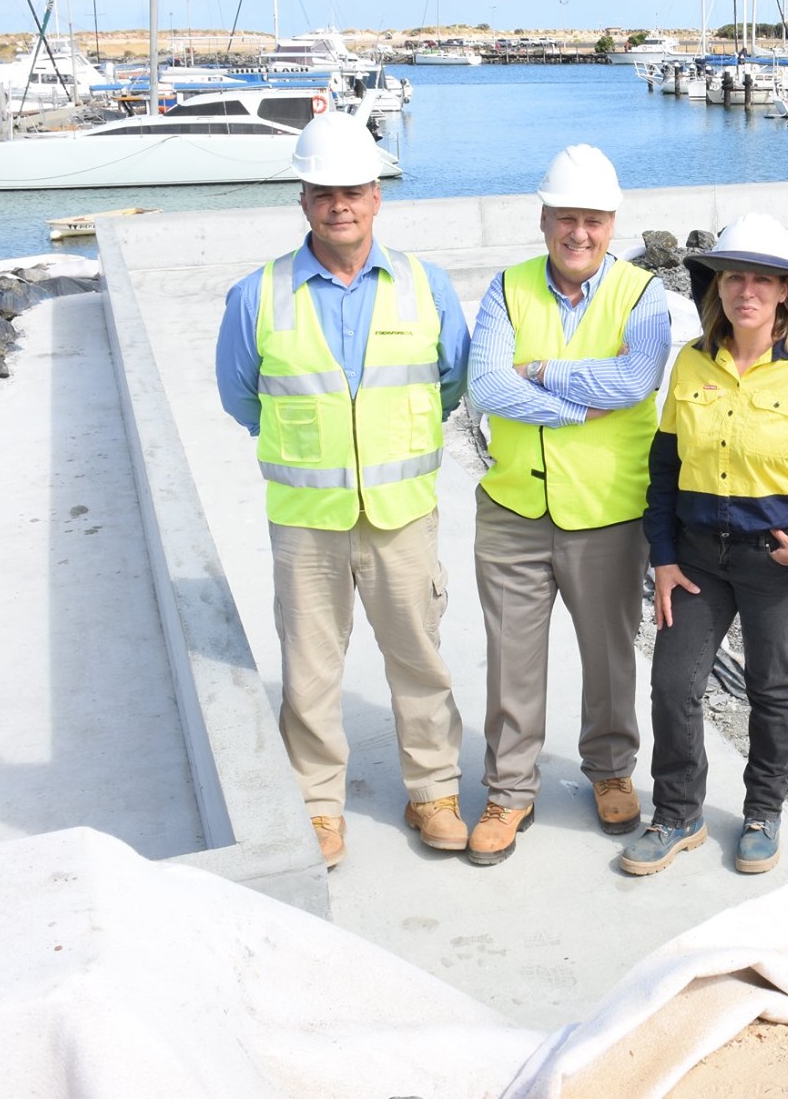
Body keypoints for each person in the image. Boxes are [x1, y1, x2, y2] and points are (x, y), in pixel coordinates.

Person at [214, 112, 472, 869]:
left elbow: (449, 381)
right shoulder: (257, 295)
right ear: (303, 199)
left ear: (376, 196)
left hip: (403, 514)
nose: (339, 206)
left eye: (353, 191)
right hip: (307, 520)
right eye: (324, 193)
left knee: (419, 659)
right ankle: (317, 805)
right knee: (310, 670)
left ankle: (433, 792)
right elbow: (241, 396)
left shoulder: (425, 286)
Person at [621, 213, 788, 877]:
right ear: (718, 286)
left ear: (786, 289)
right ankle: (678, 813)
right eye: (734, 277)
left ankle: (762, 812)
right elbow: (664, 469)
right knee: (673, 684)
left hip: (776, 563)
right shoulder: (691, 362)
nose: (746, 290)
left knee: (772, 687)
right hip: (697, 558)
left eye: (762, 278)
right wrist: (662, 555)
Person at [465, 145, 672, 866]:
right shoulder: (508, 287)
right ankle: (509, 790)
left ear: (612, 224)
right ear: (544, 218)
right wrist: (577, 409)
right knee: (511, 660)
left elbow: (635, 380)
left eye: (593, 220)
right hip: (514, 506)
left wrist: (542, 372)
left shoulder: (643, 294)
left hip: (607, 512)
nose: (579, 233)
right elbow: (487, 385)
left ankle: (611, 769)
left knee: (610, 656)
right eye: (566, 218)